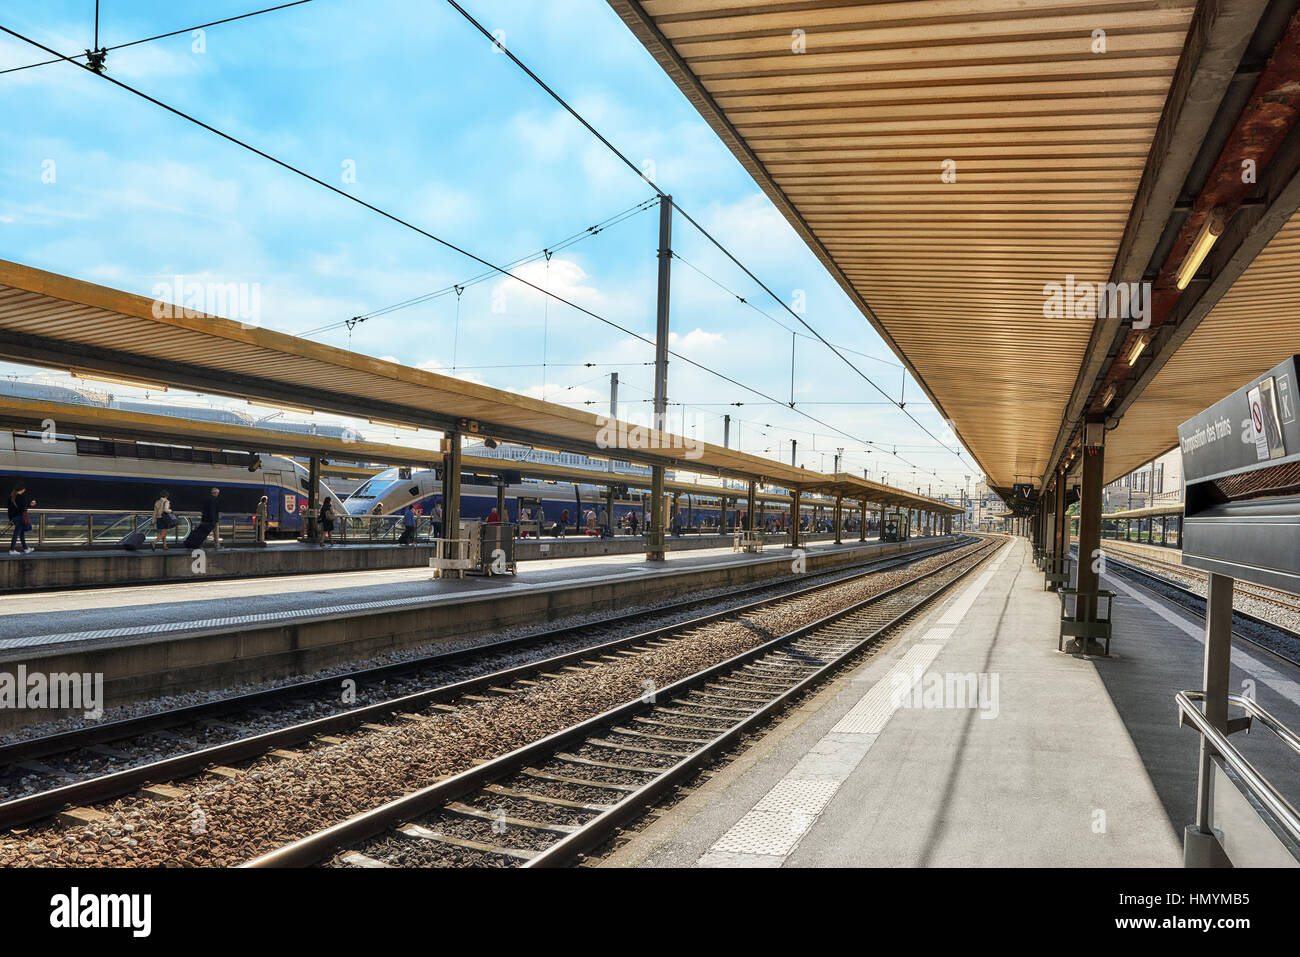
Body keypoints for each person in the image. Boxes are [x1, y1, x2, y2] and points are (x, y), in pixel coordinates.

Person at [7, 482, 35, 555]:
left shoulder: (11, 497)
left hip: (15, 518)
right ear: (22, 489)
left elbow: (9, 510)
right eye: (24, 489)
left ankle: (26, 549)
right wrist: (30, 504)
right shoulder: (21, 497)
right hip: (20, 518)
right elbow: (23, 508)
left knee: (21, 534)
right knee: (16, 534)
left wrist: (11, 520)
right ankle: (12, 550)